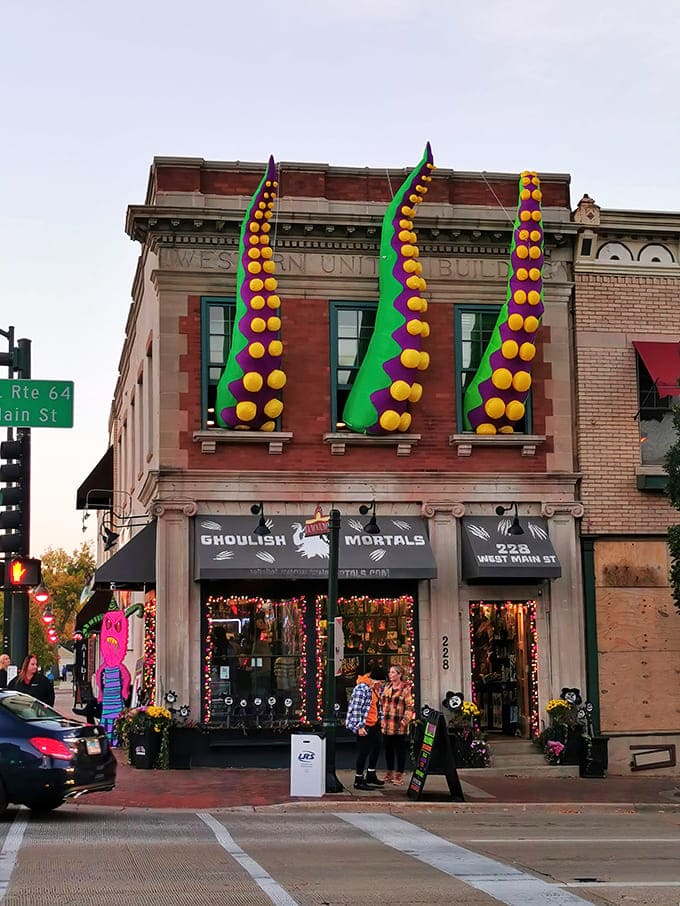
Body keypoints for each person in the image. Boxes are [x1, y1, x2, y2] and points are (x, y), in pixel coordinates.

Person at [345, 667, 386, 790]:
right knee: (364, 751)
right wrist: (360, 727)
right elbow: (356, 708)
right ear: (376, 681)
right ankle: (358, 779)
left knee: (377, 746)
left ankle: (371, 774)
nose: (382, 686)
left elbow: (377, 705)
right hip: (364, 724)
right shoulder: (361, 688)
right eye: (382, 683)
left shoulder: (375, 690)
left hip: (374, 723)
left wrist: (381, 718)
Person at [380, 663, 415, 785]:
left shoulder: (406, 688)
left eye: (393, 672)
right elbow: (382, 704)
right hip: (386, 724)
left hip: (399, 725)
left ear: (399, 674)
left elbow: (410, 707)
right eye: (390, 672)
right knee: (388, 750)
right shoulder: (387, 686)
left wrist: (404, 721)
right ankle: (389, 772)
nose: (390, 674)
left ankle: (399, 775)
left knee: (400, 751)